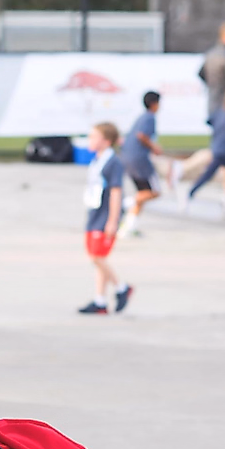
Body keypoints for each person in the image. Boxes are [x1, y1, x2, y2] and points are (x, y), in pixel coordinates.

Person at [77, 123, 133, 315]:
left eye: (94, 137)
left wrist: (112, 221)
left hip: (105, 216)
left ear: (106, 141)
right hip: (94, 212)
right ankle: (100, 300)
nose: (90, 140)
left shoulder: (113, 163)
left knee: (96, 256)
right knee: (98, 258)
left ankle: (121, 287)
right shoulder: (97, 160)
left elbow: (116, 192)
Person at [188, 83, 225, 216]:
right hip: (224, 151)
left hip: (216, 148)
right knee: (215, 173)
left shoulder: (221, 111)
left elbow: (210, 120)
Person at [117, 91, 162, 238]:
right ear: (154, 104)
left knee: (142, 193)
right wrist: (154, 147)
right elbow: (141, 135)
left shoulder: (141, 117)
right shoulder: (150, 118)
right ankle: (126, 203)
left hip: (128, 158)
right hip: (139, 159)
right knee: (154, 191)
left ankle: (128, 227)